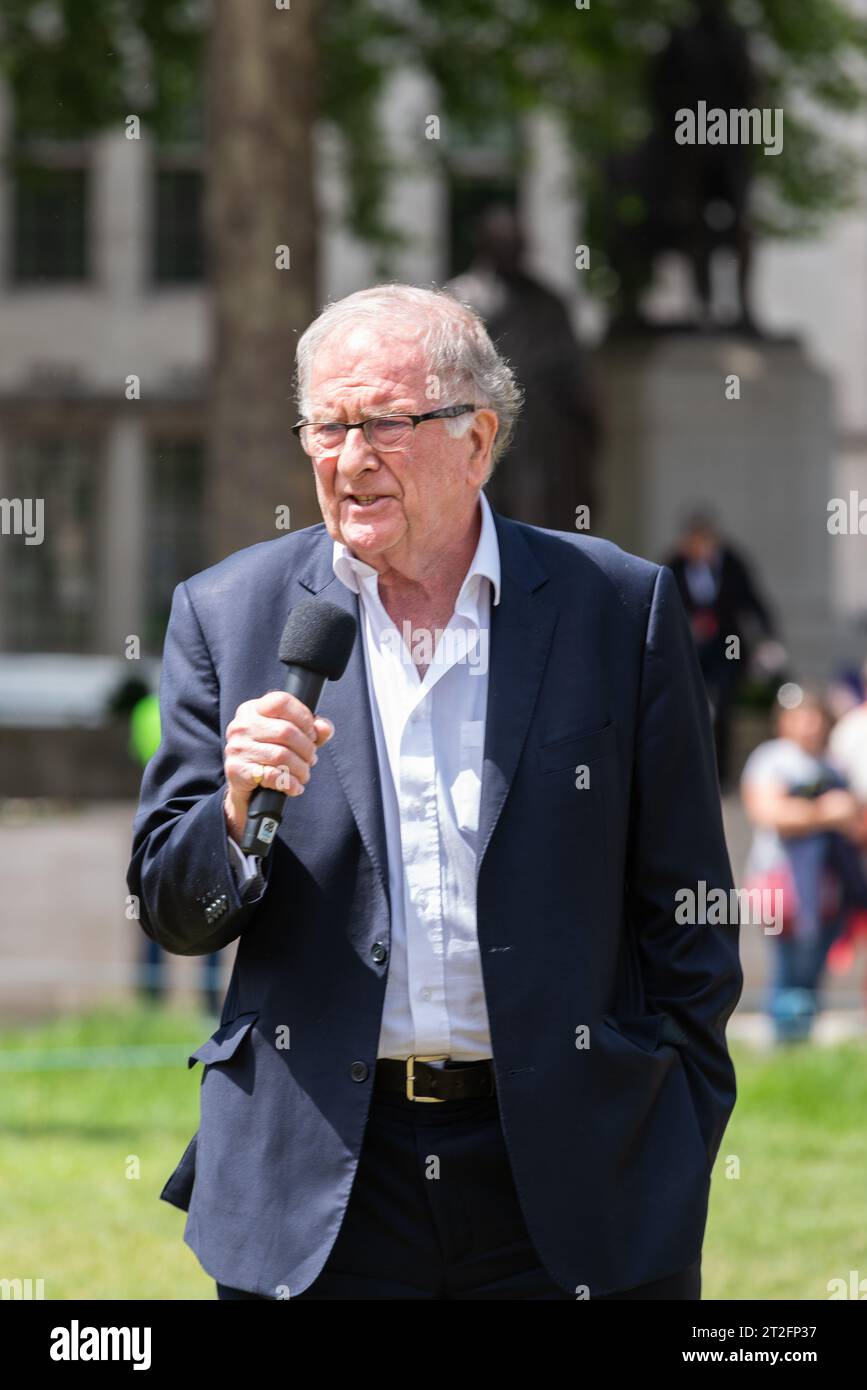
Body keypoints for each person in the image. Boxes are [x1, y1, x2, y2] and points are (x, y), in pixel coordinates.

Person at [127, 283, 742, 1301]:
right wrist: (234, 811)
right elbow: (171, 910)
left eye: (382, 423)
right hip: (322, 1184)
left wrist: (677, 1114)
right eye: (325, 425)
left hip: (569, 1173)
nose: (347, 457)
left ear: (477, 439)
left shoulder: (615, 608)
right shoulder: (227, 615)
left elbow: (688, 903)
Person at [446, 205, 600, 530]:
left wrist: (588, 429)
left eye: (518, 245)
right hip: (474, 424)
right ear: (484, 245)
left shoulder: (549, 303)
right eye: (504, 245)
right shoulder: (458, 299)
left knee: (536, 518)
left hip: (540, 434)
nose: (514, 253)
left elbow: (575, 377)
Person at [740, 686, 867, 1044]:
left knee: (811, 975)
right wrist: (825, 813)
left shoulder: (831, 763)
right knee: (788, 972)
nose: (809, 724)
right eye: (800, 716)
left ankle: (801, 1044)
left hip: (830, 887)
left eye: (814, 716)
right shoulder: (772, 758)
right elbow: (768, 812)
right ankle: (784, 1043)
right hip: (783, 884)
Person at [666, 510, 782, 790]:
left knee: (723, 706)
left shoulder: (732, 563)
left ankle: (720, 776)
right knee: (692, 706)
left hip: (727, 648)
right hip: (691, 648)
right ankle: (691, 772)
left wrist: (768, 639)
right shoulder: (675, 565)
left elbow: (752, 601)